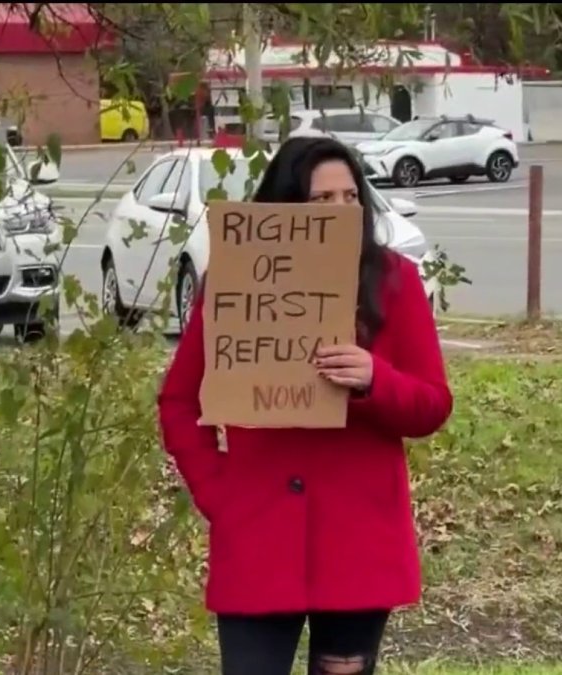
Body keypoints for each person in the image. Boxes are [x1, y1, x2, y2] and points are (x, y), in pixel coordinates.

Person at [157, 135, 454, 675]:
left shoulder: (394, 282)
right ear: (288, 209)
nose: (341, 212)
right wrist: (217, 492)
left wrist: (374, 380)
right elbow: (179, 401)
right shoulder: (233, 284)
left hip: (358, 539)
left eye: (350, 198)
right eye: (323, 201)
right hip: (257, 533)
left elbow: (432, 406)